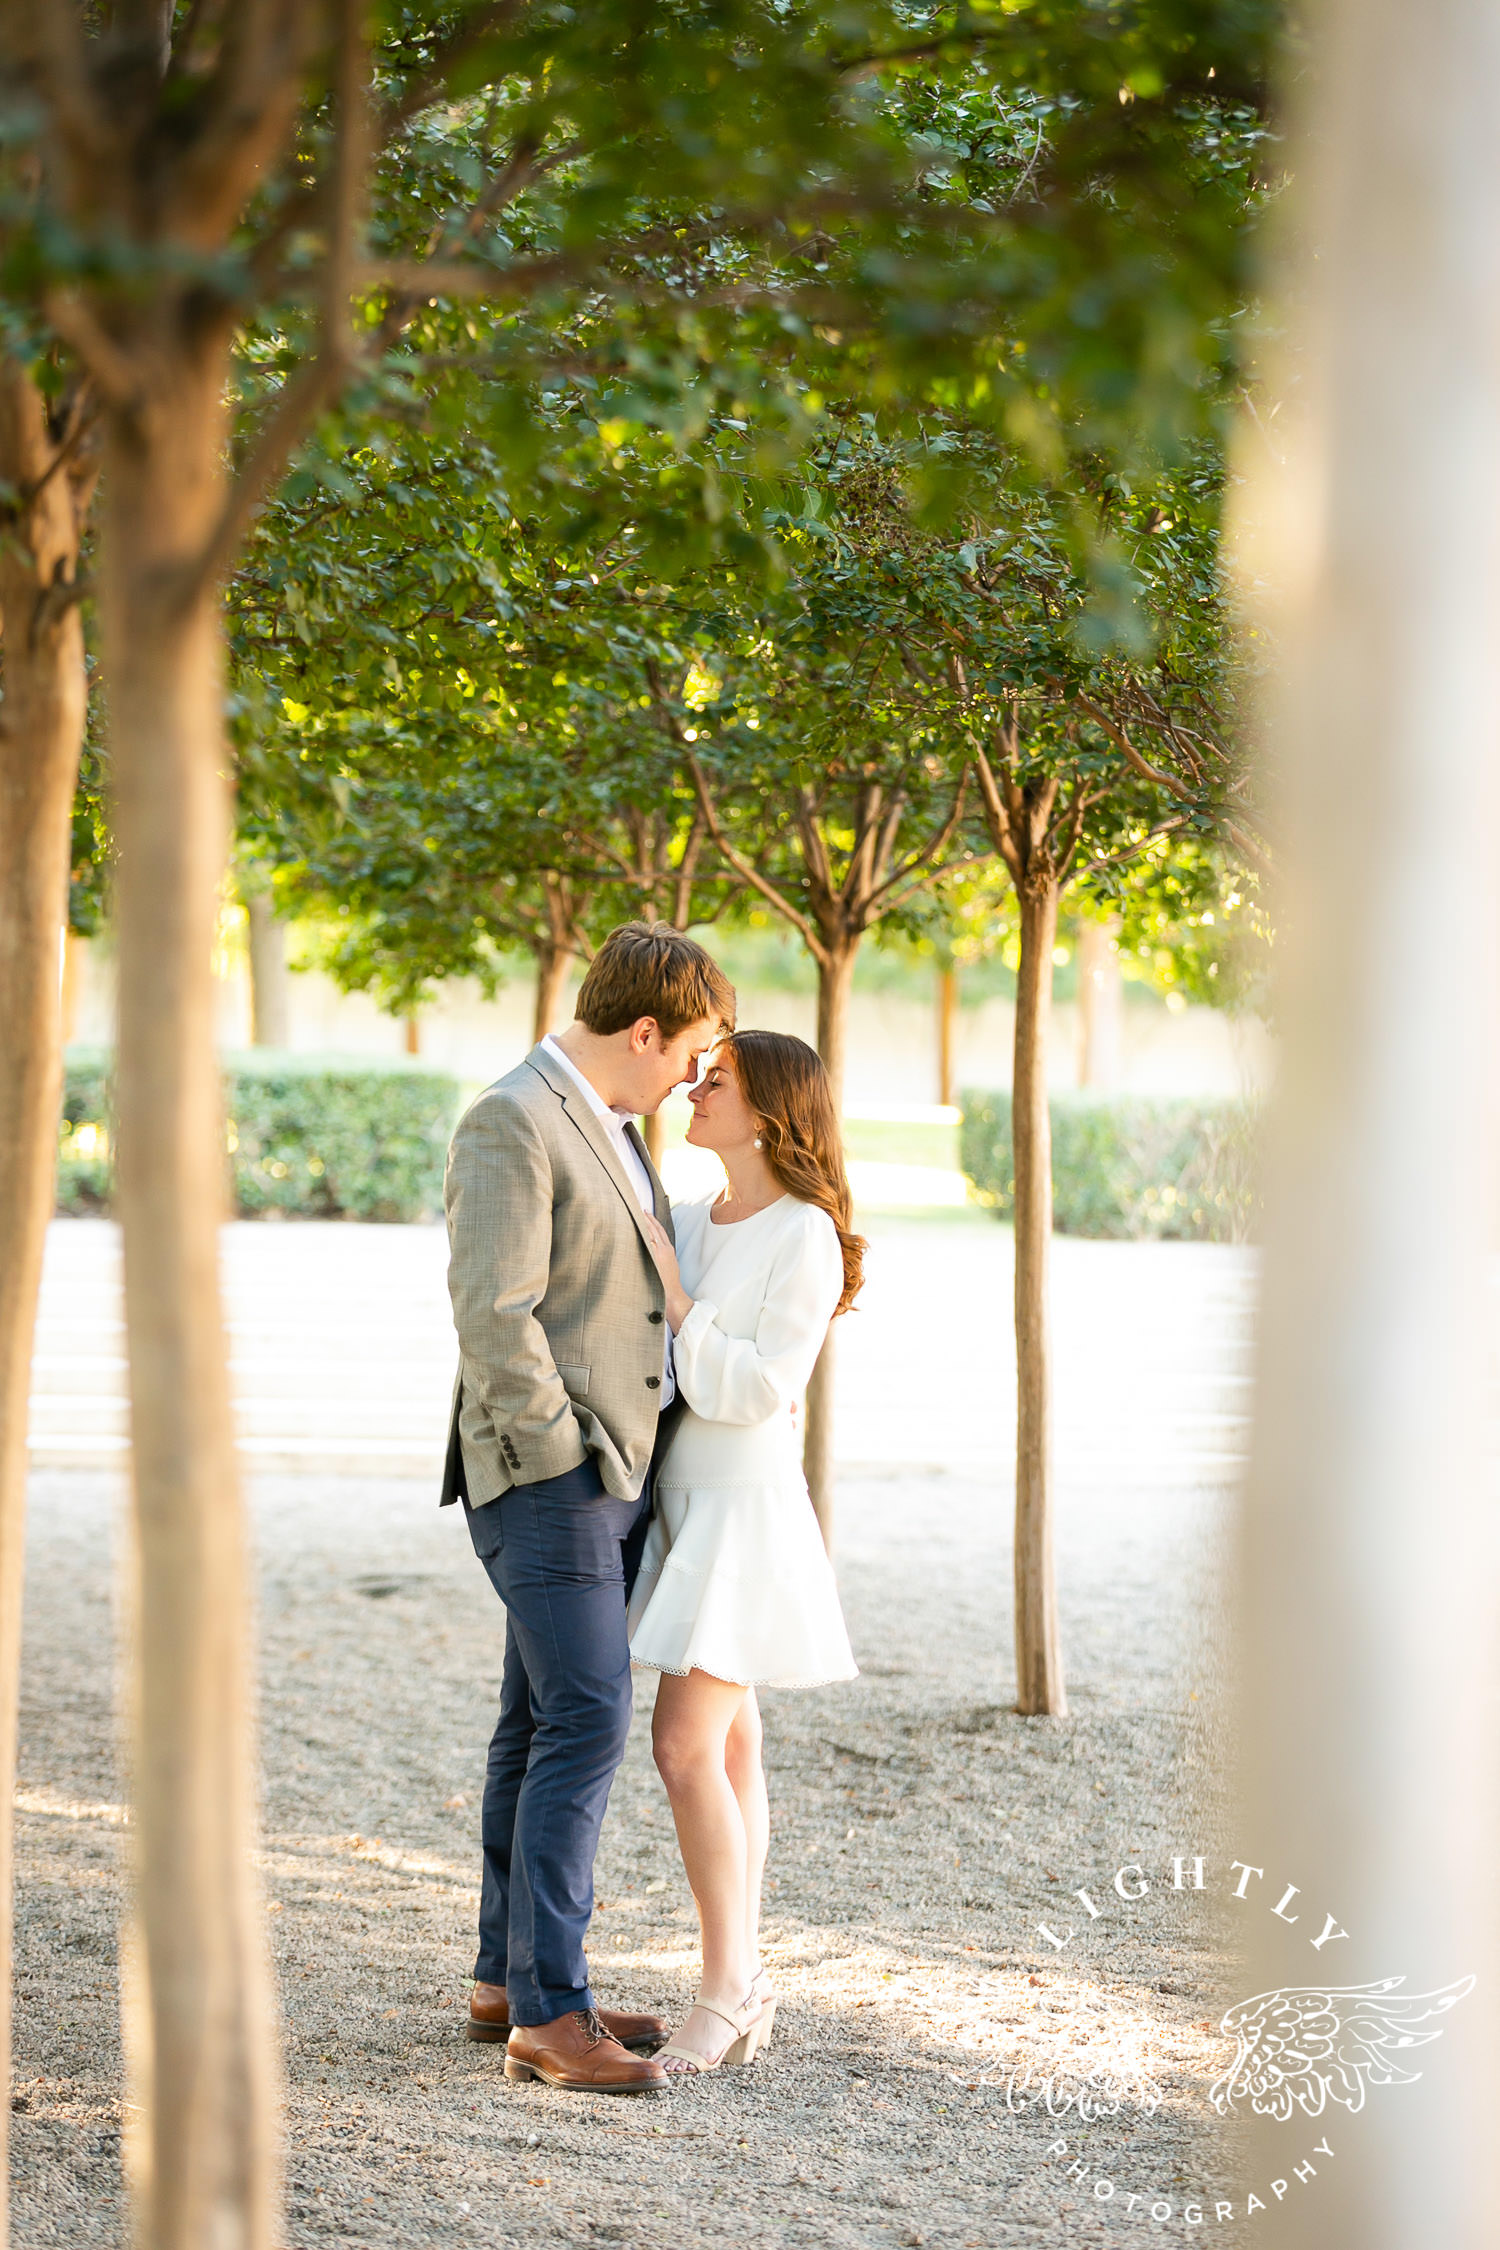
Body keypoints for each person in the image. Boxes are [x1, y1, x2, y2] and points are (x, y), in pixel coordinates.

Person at [440, 920, 735, 2094]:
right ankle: (551, 2019)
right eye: (691, 1053)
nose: (693, 1078)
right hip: (553, 1479)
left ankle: (508, 1978)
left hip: (606, 1479)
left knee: (536, 1722)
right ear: (644, 1029)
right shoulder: (511, 1118)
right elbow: (492, 1316)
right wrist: (566, 1456)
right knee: (587, 1723)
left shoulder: (609, 1121)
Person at [626, 1029, 864, 2075]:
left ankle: (727, 1989)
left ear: (768, 1111)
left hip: (744, 1510)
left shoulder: (803, 1231)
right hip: (678, 1497)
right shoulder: (688, 1213)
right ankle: (746, 1981)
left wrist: (680, 1307)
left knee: (683, 1747)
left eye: (715, 1081)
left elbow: (765, 1387)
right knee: (729, 1749)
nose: (694, 1087)